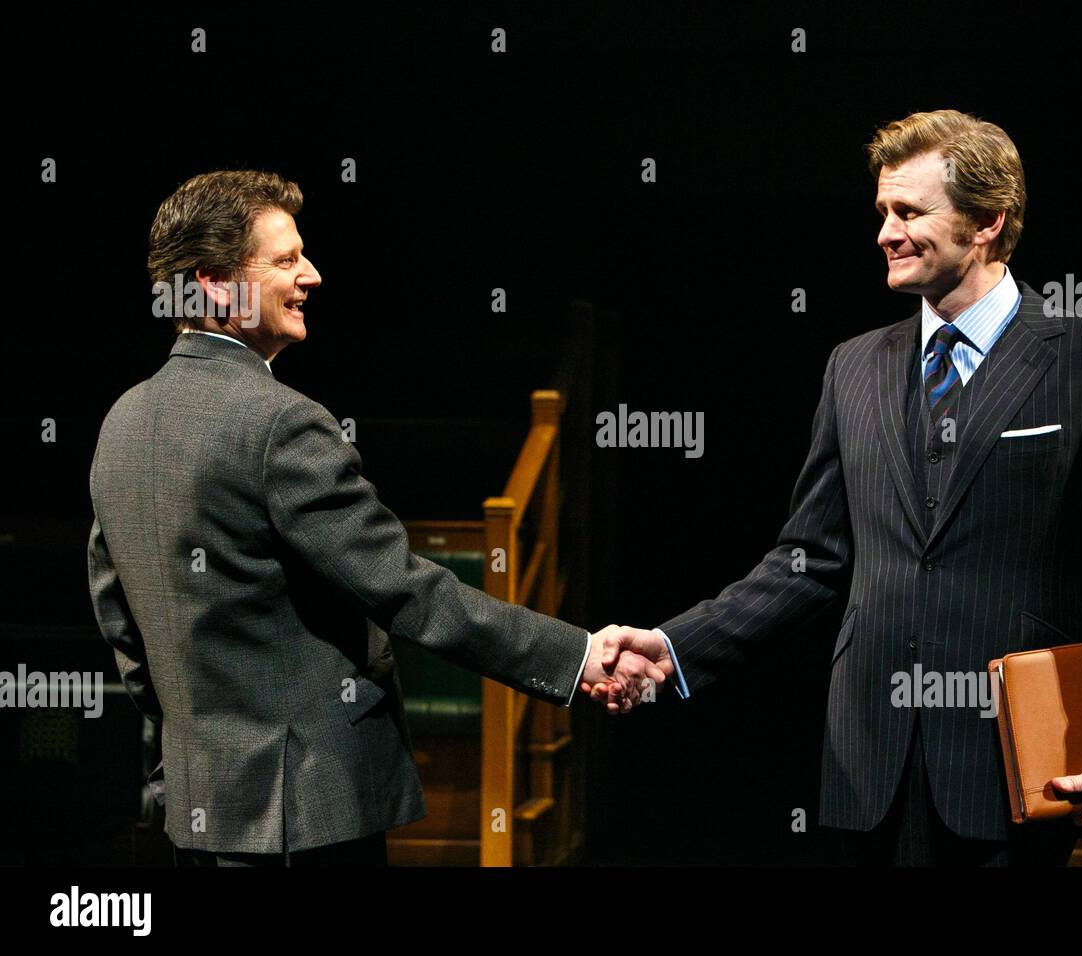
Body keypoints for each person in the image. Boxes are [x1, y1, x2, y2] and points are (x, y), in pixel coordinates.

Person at [588, 109, 1082, 866]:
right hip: (867, 761)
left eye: (909, 212)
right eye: (881, 212)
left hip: (1011, 762)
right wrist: (675, 646)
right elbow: (810, 558)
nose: (885, 233)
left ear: (987, 222)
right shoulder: (854, 366)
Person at [88, 169, 667, 867]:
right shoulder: (281, 424)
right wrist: (578, 655)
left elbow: (124, 628)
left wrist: (173, 775)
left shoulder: (121, 423)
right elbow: (405, 589)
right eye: (286, 259)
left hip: (196, 815)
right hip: (310, 818)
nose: (313, 274)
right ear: (214, 283)